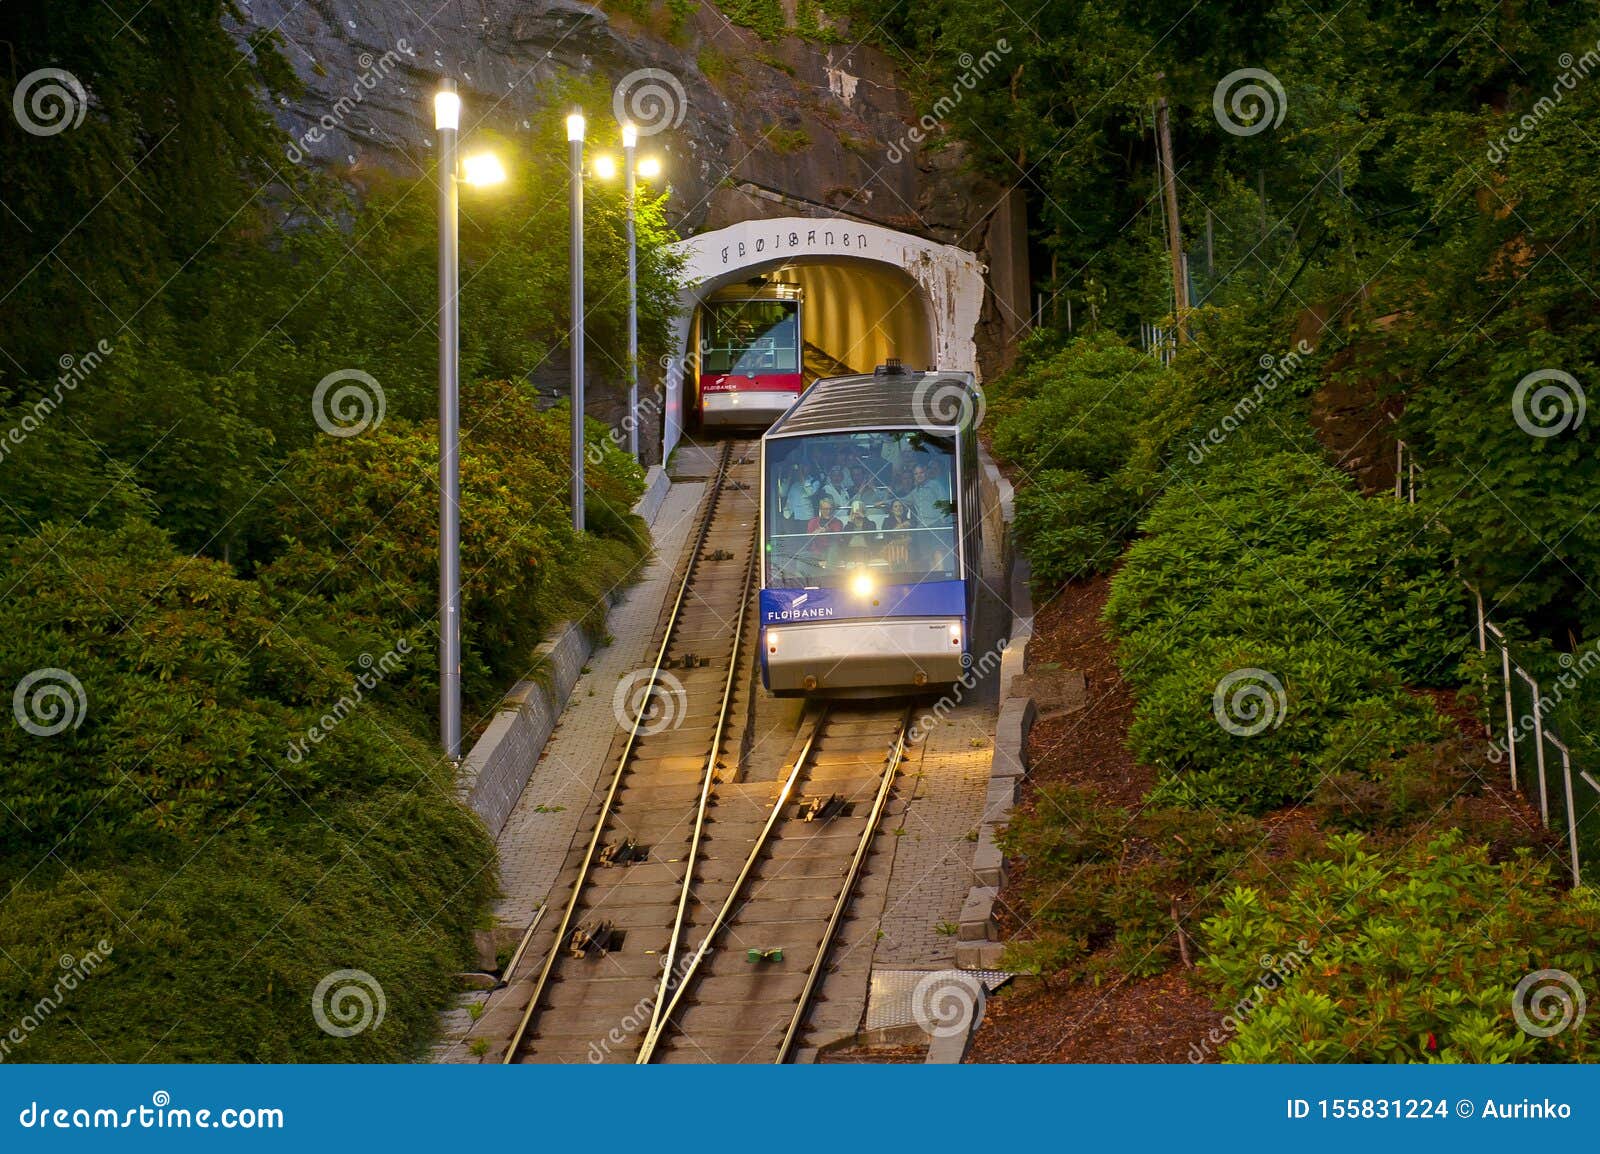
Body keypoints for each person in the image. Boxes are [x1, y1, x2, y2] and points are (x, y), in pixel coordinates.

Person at [907, 461, 951, 527]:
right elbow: (902, 500)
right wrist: (886, 501)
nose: (919, 476)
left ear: (926, 473)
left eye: (921, 472)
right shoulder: (914, 492)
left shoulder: (935, 485)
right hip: (921, 527)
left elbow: (945, 503)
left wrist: (941, 521)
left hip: (937, 525)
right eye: (916, 474)